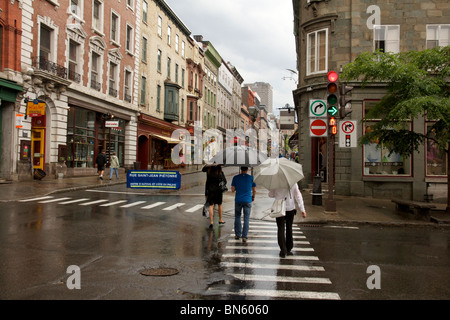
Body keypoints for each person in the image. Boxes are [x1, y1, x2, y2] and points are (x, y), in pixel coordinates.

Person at [268, 183, 307, 258]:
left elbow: (270, 194)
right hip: (290, 208)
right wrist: (302, 209)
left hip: (279, 208)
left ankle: (283, 250)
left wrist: (276, 194)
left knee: (280, 228)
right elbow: (298, 196)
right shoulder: (293, 183)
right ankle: (289, 247)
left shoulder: (276, 182)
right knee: (289, 228)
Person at [231, 167, 256, 242]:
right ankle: (244, 236)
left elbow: (232, 190)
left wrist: (237, 187)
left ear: (241, 169)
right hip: (248, 200)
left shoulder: (235, 177)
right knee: (246, 218)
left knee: (237, 216)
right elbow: (254, 190)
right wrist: (253, 197)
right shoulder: (251, 178)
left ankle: (237, 234)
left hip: (238, 200)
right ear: (247, 169)